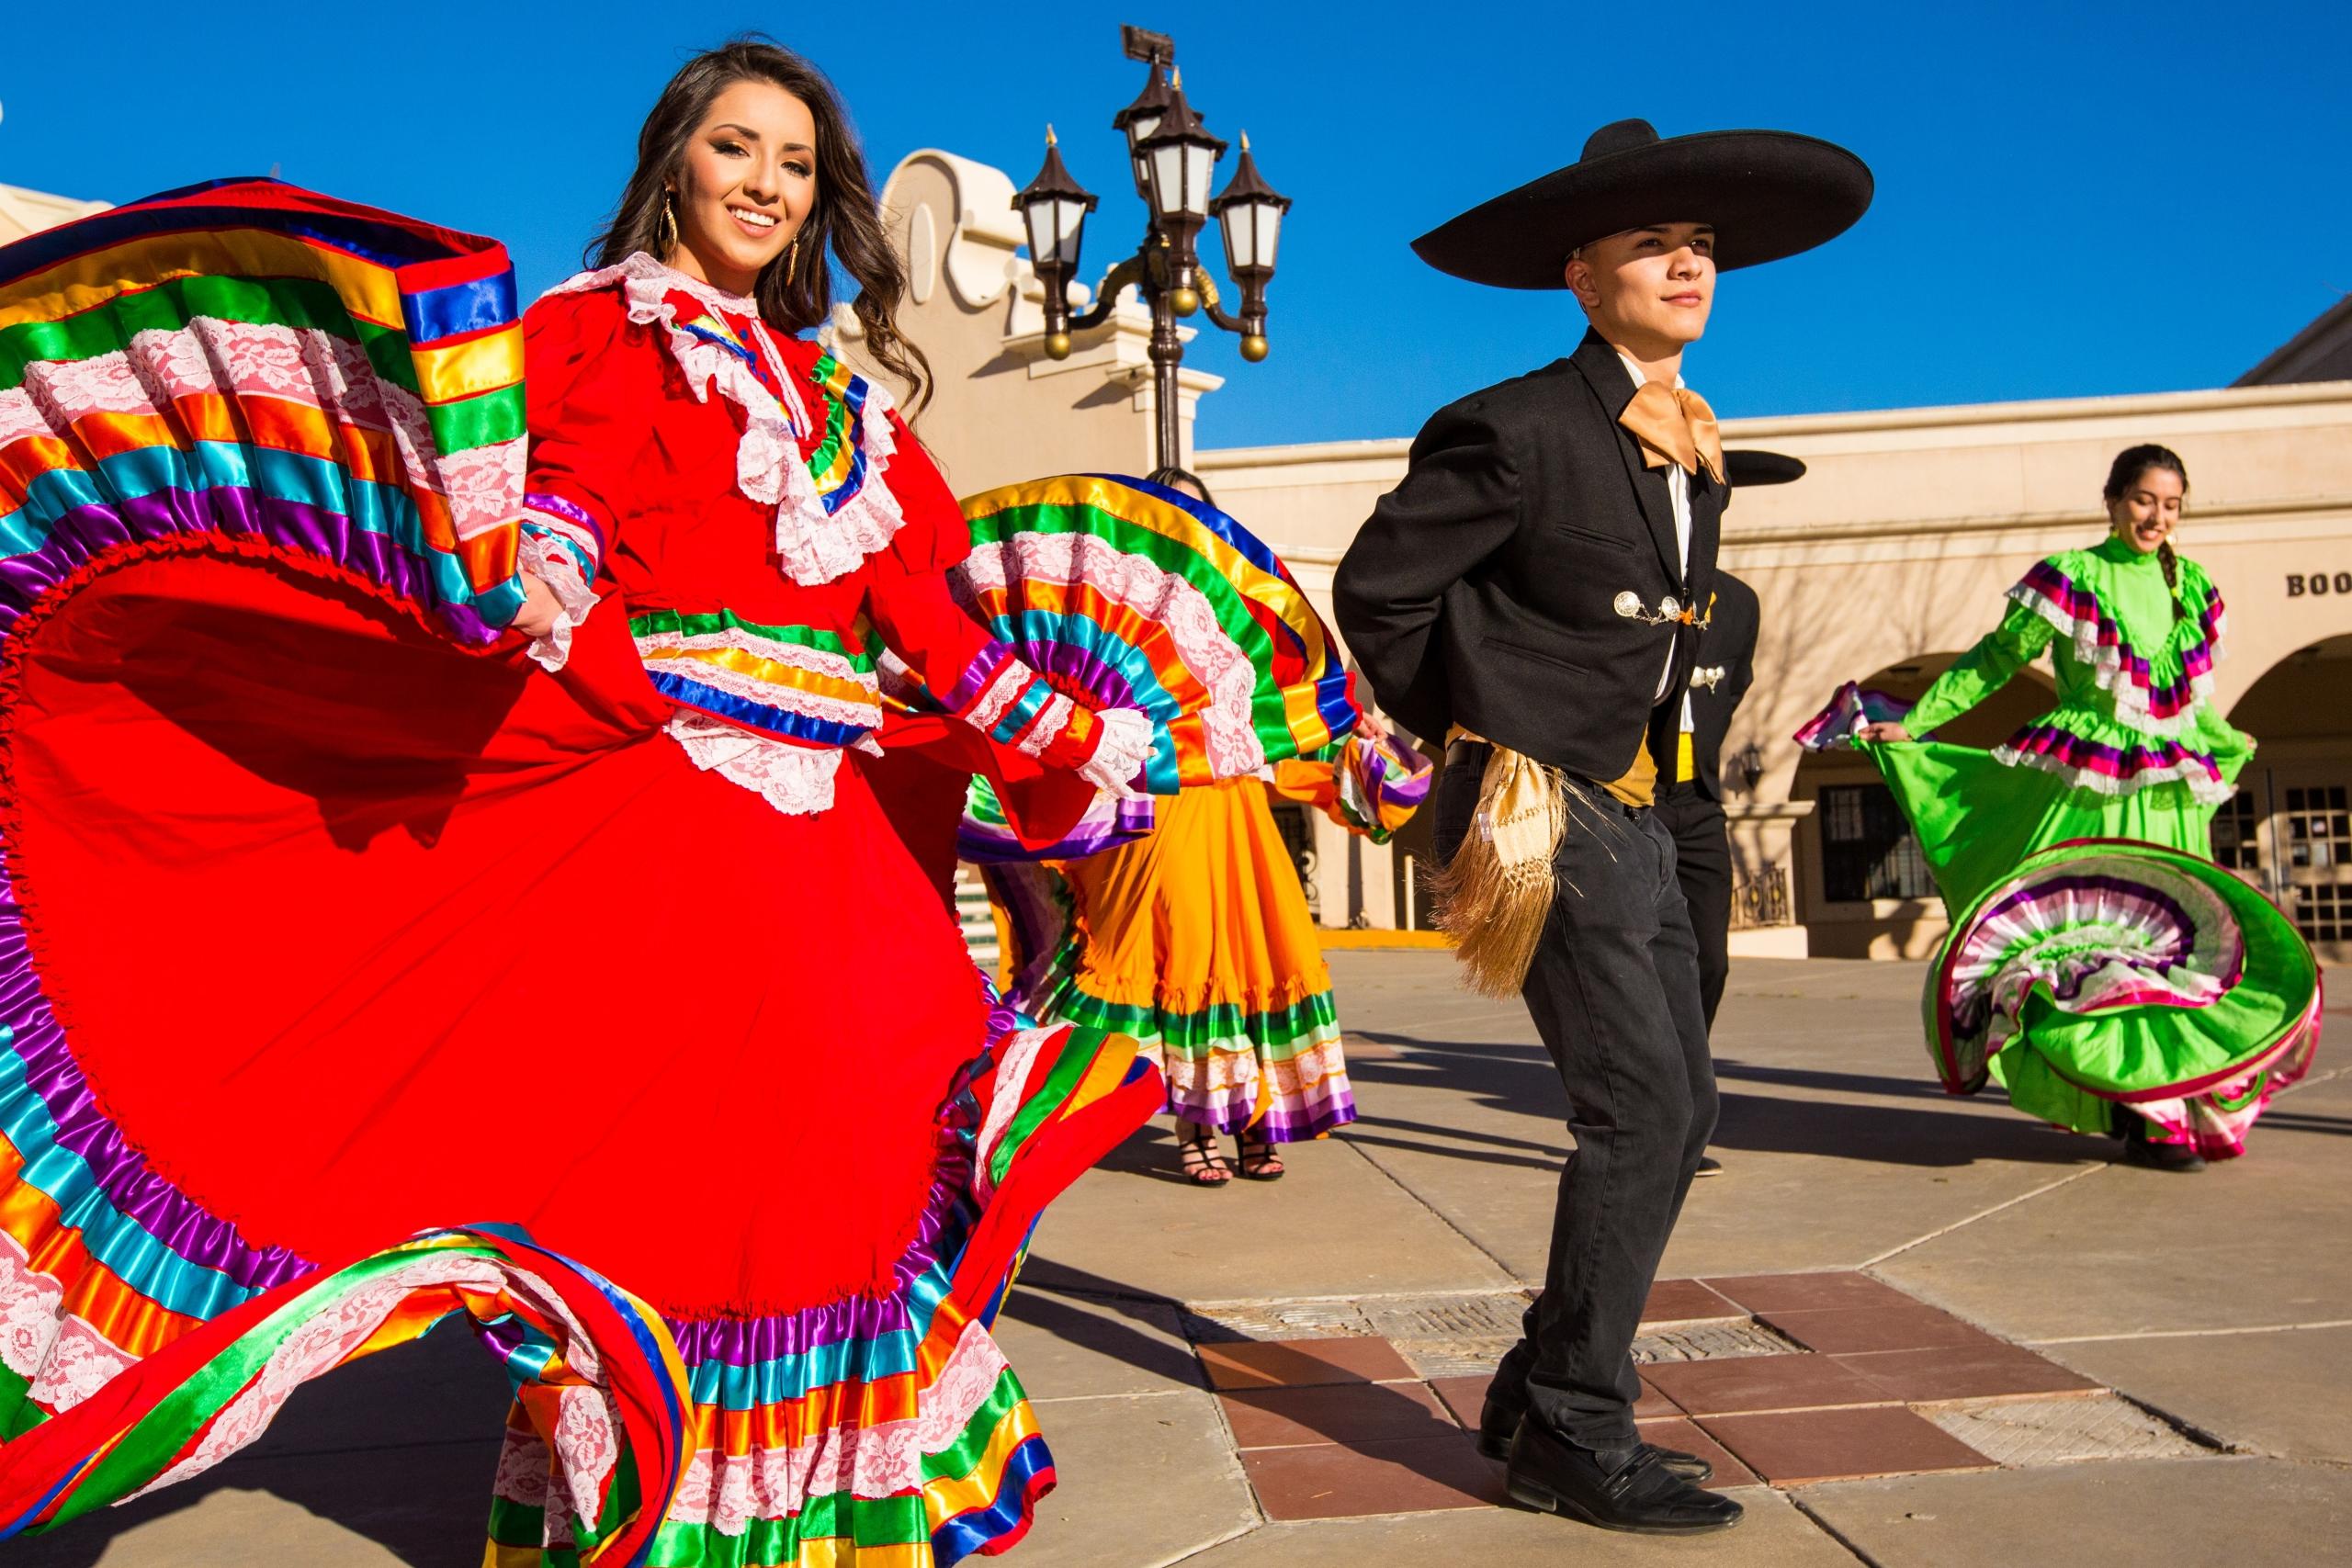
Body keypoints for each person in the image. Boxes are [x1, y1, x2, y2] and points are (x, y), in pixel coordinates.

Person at [0, 41, 1234, 1562]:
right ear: (675, 161)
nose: (767, 184)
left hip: (834, 841)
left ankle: (819, 1507)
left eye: (795, 161)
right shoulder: (602, 335)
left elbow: (929, 617)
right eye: (736, 148)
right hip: (683, 824)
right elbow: (564, 504)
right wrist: (538, 575)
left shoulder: (845, 393)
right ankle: (687, 1510)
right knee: (712, 1181)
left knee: (865, 1144)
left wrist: (1081, 731)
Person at [1335, 118, 1871, 1535]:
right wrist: (1487, 718)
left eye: (1701, 246)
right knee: (1640, 1112)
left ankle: (1535, 1380)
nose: (1691, 263)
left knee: (1682, 1105)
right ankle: (1576, 1423)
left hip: (1646, 812)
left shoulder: (1690, 445)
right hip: (1540, 800)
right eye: (1656, 245)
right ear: (1582, 275)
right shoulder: (1513, 425)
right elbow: (1378, 592)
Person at [1808, 444, 2320, 1171]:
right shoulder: (2074, 577)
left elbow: (2186, 705)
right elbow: (1995, 658)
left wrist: (2224, 742)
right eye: (2144, 499)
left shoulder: (2194, 588)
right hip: (2088, 787)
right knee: (2098, 946)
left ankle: (2164, 1104)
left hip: (2169, 796)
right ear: (2112, 500)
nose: (2157, 516)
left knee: (2176, 950)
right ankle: (2134, 1106)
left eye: (2172, 505)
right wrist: (1918, 723)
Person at [987, 470, 1430, 1187]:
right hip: (1160, 826)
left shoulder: (1234, 628)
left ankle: (1258, 1129)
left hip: (1239, 825)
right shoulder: (1125, 634)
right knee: (1180, 972)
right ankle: (1195, 1131)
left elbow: (1297, 721)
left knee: (1253, 967)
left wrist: (1353, 726)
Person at [1656, 449, 1799, 1178]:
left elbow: (1733, 684)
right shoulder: (1633, 591)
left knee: (1708, 960)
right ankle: (1660, 1118)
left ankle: (1678, 1101)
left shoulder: (1738, 604)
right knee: (1645, 966)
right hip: (1631, 804)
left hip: (1699, 804)